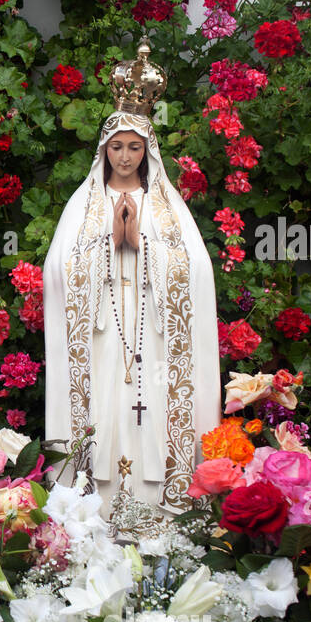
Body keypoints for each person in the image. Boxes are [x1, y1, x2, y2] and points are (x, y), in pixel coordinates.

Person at [43, 38, 221, 518]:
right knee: (104, 406)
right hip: (101, 334)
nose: (125, 157)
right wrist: (107, 243)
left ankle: (158, 504)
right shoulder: (84, 204)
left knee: (152, 403)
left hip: (154, 335)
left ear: (147, 150)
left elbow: (196, 270)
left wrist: (143, 245)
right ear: (105, 149)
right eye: (117, 147)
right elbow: (58, 269)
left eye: (135, 148)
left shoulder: (166, 206)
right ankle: (94, 506)